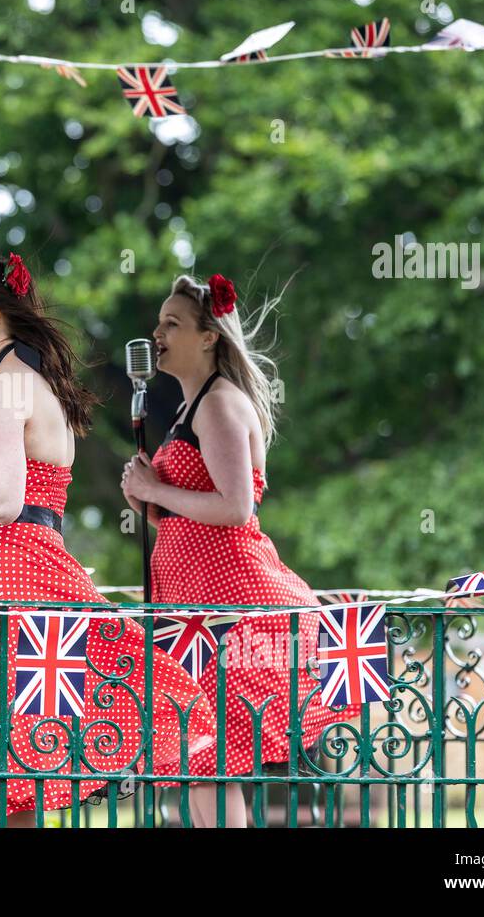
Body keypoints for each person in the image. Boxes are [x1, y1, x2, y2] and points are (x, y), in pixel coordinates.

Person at [0, 250, 216, 826]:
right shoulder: (22, 382)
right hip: (11, 585)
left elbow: (1, 502)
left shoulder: (1, 389)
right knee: (15, 775)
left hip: (3, 592)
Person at [121, 273, 361, 828]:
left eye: (172, 323)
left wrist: (155, 489)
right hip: (192, 604)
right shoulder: (190, 408)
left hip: (227, 607)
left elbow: (235, 509)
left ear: (209, 337)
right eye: (158, 322)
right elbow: (190, 508)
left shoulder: (220, 405)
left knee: (208, 762)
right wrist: (147, 499)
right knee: (198, 762)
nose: (157, 331)